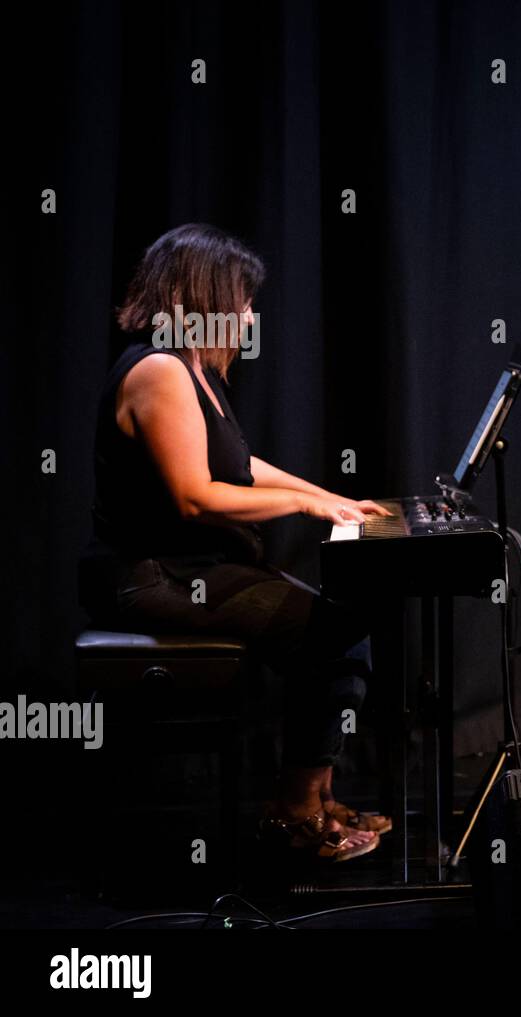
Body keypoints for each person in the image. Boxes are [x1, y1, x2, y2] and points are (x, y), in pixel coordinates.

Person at [79, 223, 392, 864]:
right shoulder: (160, 370)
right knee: (338, 636)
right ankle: (295, 815)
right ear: (207, 298)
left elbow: (242, 466)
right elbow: (197, 495)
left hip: (187, 567)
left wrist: (329, 497)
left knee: (339, 630)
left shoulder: (196, 369)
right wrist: (307, 505)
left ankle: (315, 800)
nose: (251, 316)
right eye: (244, 301)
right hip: (148, 577)